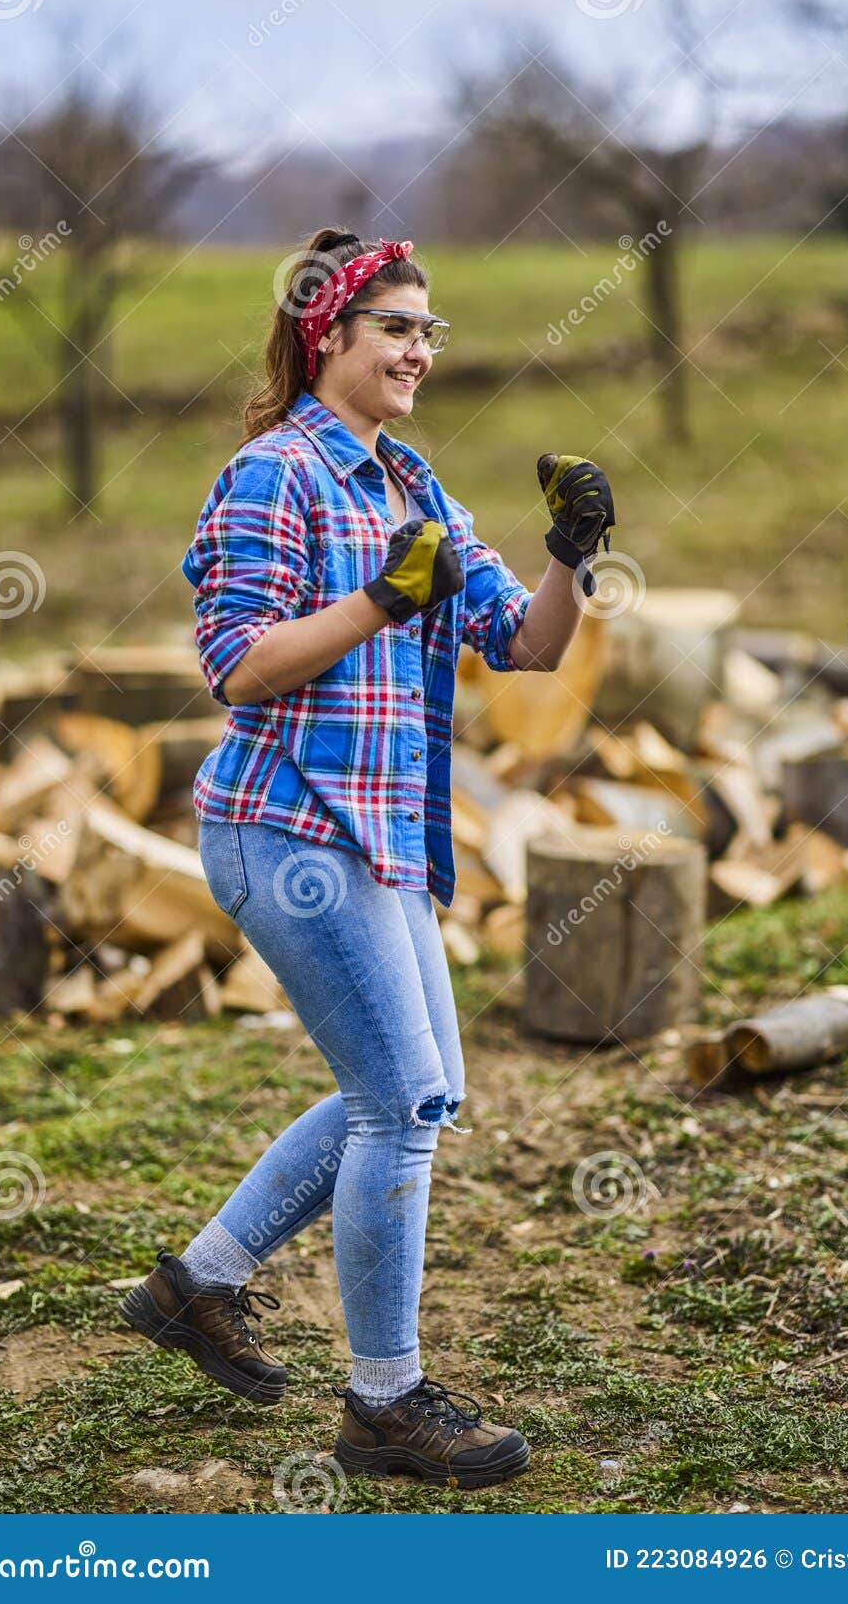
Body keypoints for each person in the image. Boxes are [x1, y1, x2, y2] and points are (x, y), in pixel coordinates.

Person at [119, 227, 615, 1489]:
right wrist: (382, 603)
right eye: (393, 325)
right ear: (322, 336)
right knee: (400, 1105)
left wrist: (569, 557)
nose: (417, 349)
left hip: (381, 835)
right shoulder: (269, 477)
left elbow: (525, 644)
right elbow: (236, 663)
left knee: (411, 1090)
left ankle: (200, 1283)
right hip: (280, 825)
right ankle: (383, 1402)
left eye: (428, 329)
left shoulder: (414, 487)